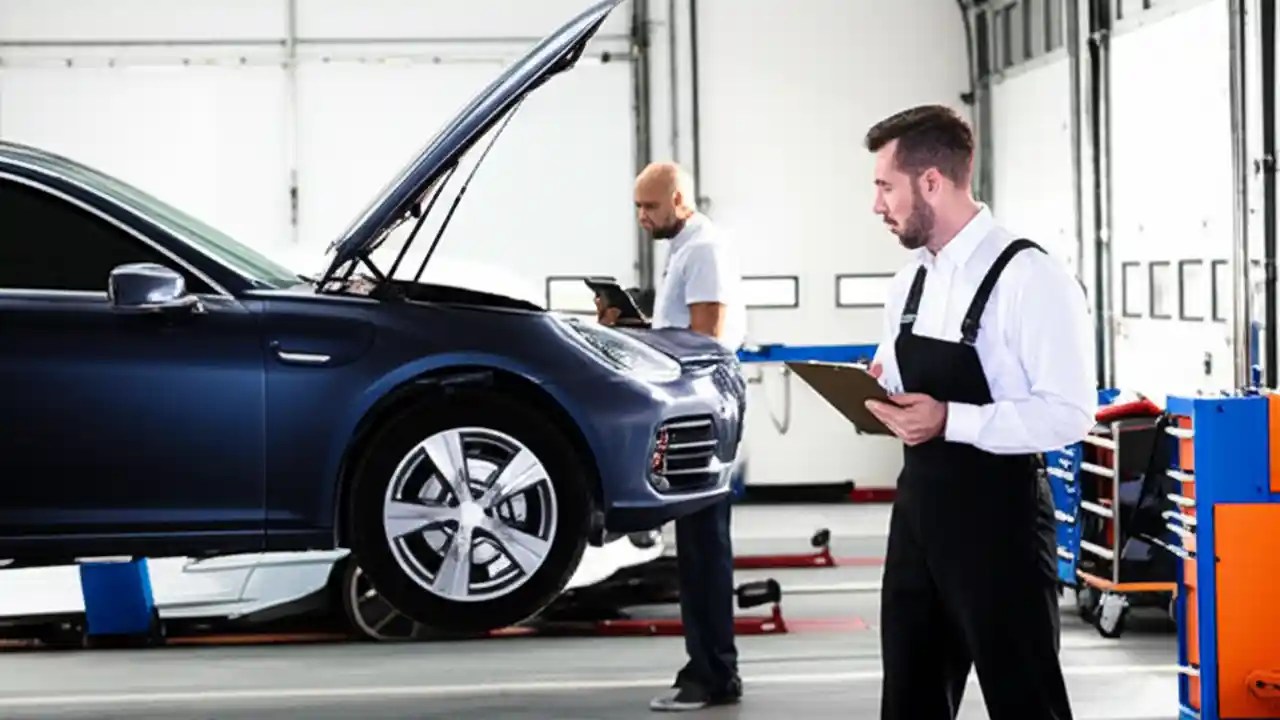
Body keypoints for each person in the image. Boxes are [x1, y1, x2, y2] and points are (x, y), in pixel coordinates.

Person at [860, 104, 1097, 720]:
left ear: (931, 181)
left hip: (1001, 521)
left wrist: (950, 420)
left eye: (886, 186)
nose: (877, 205)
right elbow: (895, 370)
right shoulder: (909, 281)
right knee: (908, 700)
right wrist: (876, 388)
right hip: (919, 513)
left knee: (1025, 702)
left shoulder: (1030, 277)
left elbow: (1071, 413)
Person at [596, 161, 747, 712]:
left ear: (679, 200)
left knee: (705, 546)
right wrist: (630, 329)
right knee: (697, 545)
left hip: (703, 401)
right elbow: (679, 331)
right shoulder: (683, 247)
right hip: (695, 399)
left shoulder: (703, 249)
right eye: (638, 206)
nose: (642, 216)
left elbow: (706, 337)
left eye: (650, 207)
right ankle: (709, 668)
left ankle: (713, 674)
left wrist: (643, 342)